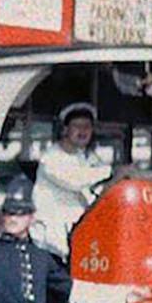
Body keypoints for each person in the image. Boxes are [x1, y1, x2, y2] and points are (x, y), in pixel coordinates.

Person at [33, 102, 111, 258]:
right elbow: (74, 180)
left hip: (78, 241)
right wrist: (112, 171)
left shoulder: (89, 158)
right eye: (77, 126)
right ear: (65, 129)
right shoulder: (51, 157)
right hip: (50, 245)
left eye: (87, 126)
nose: (83, 131)